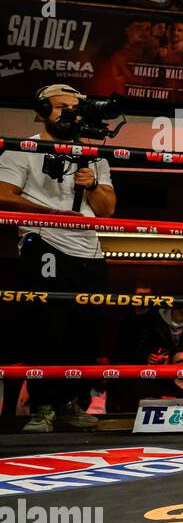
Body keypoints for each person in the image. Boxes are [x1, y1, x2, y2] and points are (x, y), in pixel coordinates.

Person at [0, 84, 116, 432]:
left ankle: (70, 403)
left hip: (89, 250)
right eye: (61, 107)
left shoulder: (94, 156)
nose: (70, 113)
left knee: (86, 332)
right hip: (45, 242)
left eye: (74, 107)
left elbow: (107, 210)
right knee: (47, 329)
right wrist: (51, 213)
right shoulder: (22, 149)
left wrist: (93, 185)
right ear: (42, 111)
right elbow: (4, 195)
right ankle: (43, 407)